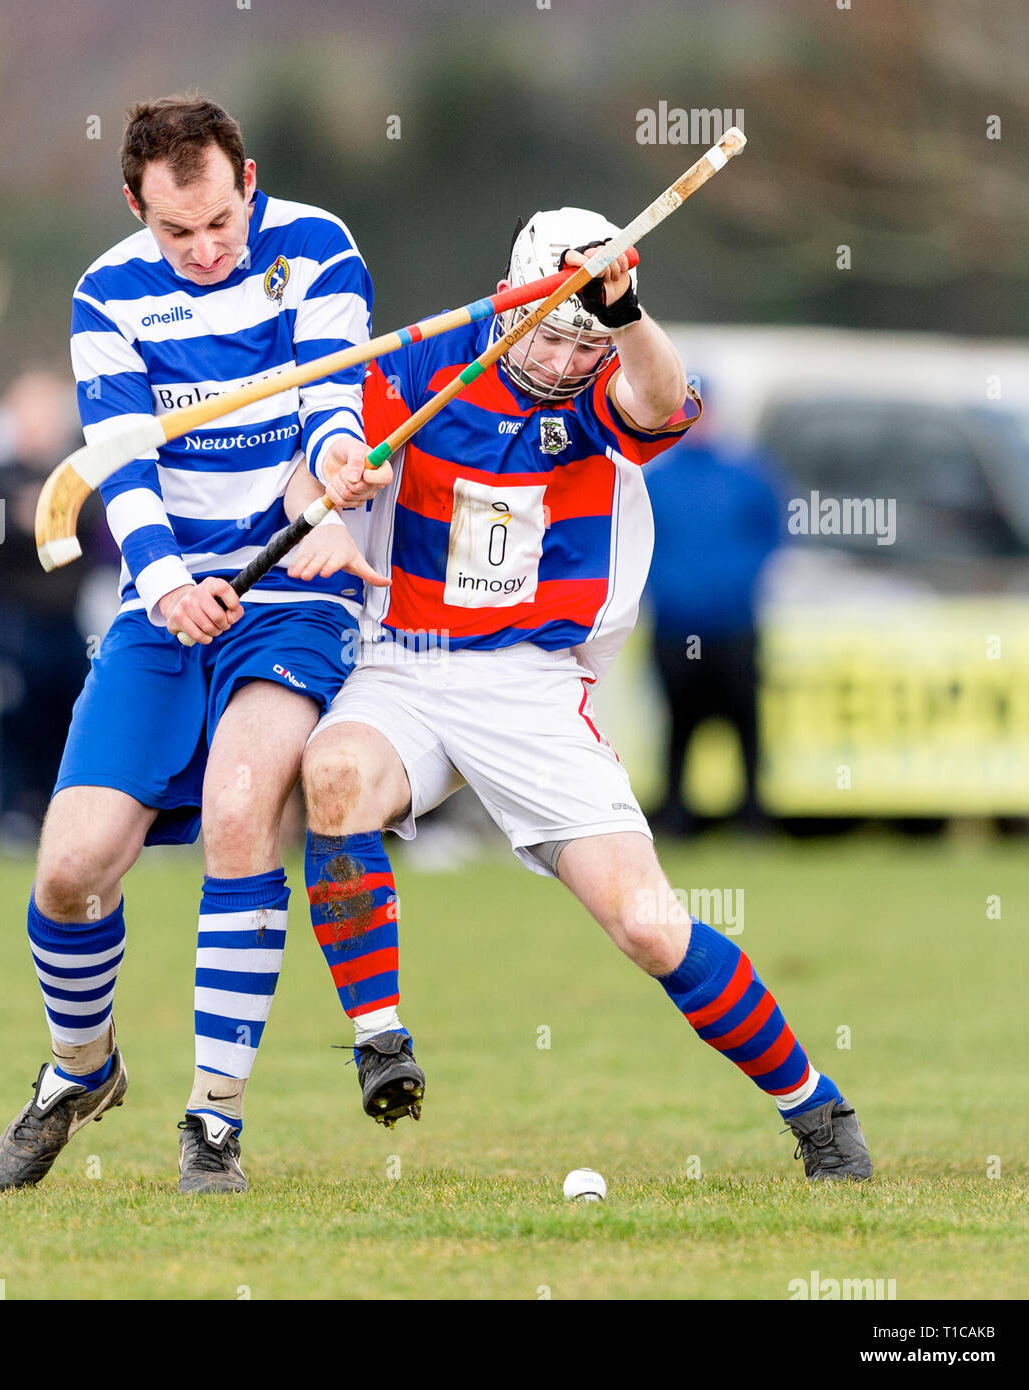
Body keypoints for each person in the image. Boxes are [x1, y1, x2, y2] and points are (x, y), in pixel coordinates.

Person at [300, 209, 872, 1180]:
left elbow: (662, 398)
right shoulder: (422, 359)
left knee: (648, 925)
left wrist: (626, 314)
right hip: (404, 657)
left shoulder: (612, 378)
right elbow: (334, 434)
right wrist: (333, 475)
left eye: (585, 340)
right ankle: (381, 1039)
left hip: (530, 683)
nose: (567, 359)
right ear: (514, 297)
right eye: (552, 334)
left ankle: (814, 1109)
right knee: (334, 774)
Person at [0, 94, 387, 1196]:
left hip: (295, 595)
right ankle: (80, 1070)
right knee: (70, 869)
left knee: (241, 809)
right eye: (177, 234)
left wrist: (336, 469)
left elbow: (331, 405)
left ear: (246, 180)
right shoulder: (107, 293)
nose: (205, 253)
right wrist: (162, 585)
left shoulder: (316, 248)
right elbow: (122, 461)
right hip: (164, 607)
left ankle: (213, 1118)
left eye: (219, 224)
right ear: (135, 207)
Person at [0, 369, 112, 850]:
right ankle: (13, 813)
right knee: (15, 717)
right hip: (14, 627)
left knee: (70, 717)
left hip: (67, 624)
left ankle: (64, 812)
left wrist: (41, 507)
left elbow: (91, 525)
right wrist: (47, 511)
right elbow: (5, 533)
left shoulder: (78, 471)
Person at [643, 392, 785, 835]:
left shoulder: (746, 473)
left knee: (745, 718)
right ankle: (676, 815)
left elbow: (772, 534)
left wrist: (742, 578)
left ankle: (752, 815)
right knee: (678, 721)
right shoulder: (655, 477)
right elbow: (636, 541)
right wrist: (662, 586)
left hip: (734, 624)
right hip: (674, 623)